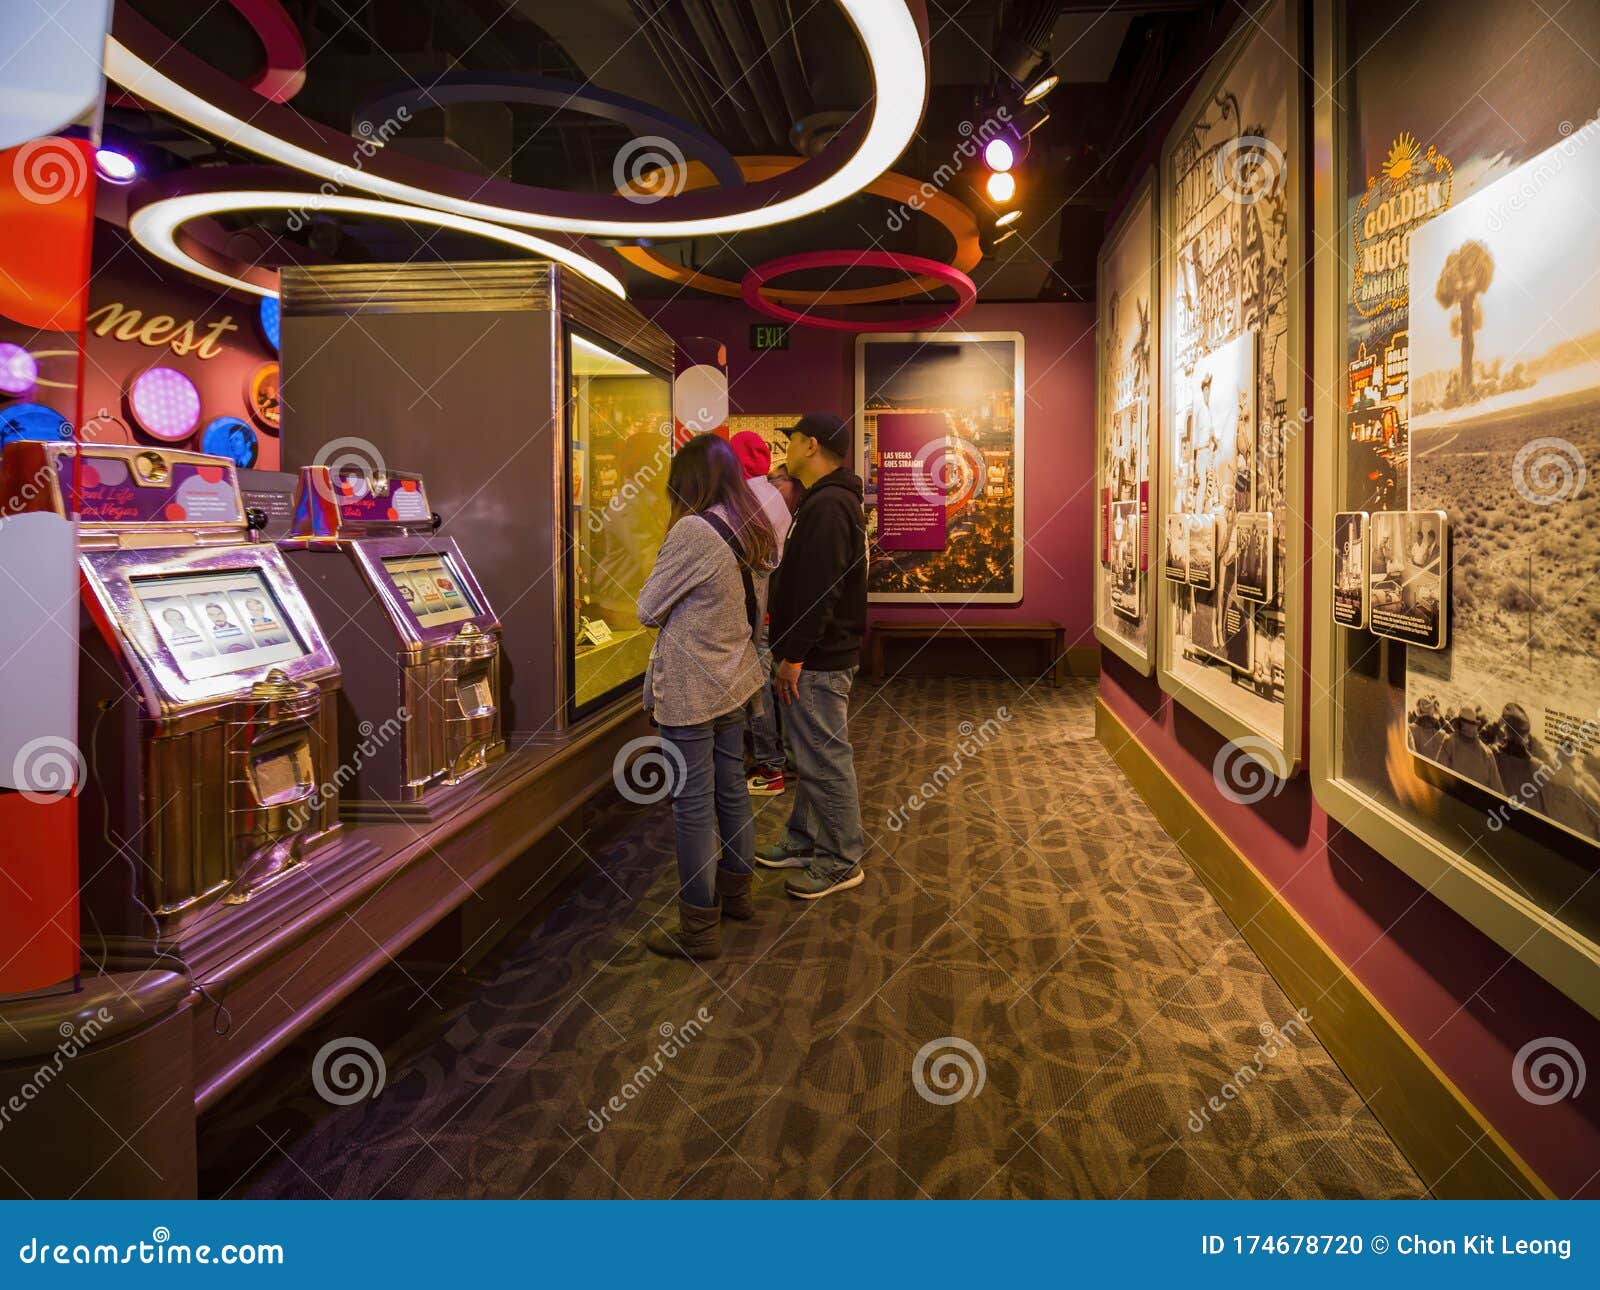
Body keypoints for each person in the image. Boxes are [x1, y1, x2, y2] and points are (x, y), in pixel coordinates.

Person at [636, 433, 778, 960]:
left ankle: (698, 928)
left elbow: (647, 608)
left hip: (693, 689)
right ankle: (736, 895)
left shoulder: (694, 530)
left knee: (692, 808)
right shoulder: (753, 523)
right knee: (732, 791)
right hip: (734, 678)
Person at [757, 412, 869, 900]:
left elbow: (820, 588)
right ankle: (805, 839)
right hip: (817, 654)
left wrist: (795, 655)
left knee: (825, 757)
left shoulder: (827, 508)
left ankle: (842, 859)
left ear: (811, 446)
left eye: (793, 439)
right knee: (811, 752)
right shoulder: (826, 501)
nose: (786, 447)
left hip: (819, 658)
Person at [728, 430, 795, 796]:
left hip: (751, 611)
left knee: (756, 690)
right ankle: (774, 760)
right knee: (766, 687)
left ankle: (770, 764)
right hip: (771, 608)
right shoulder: (774, 497)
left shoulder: (740, 500)